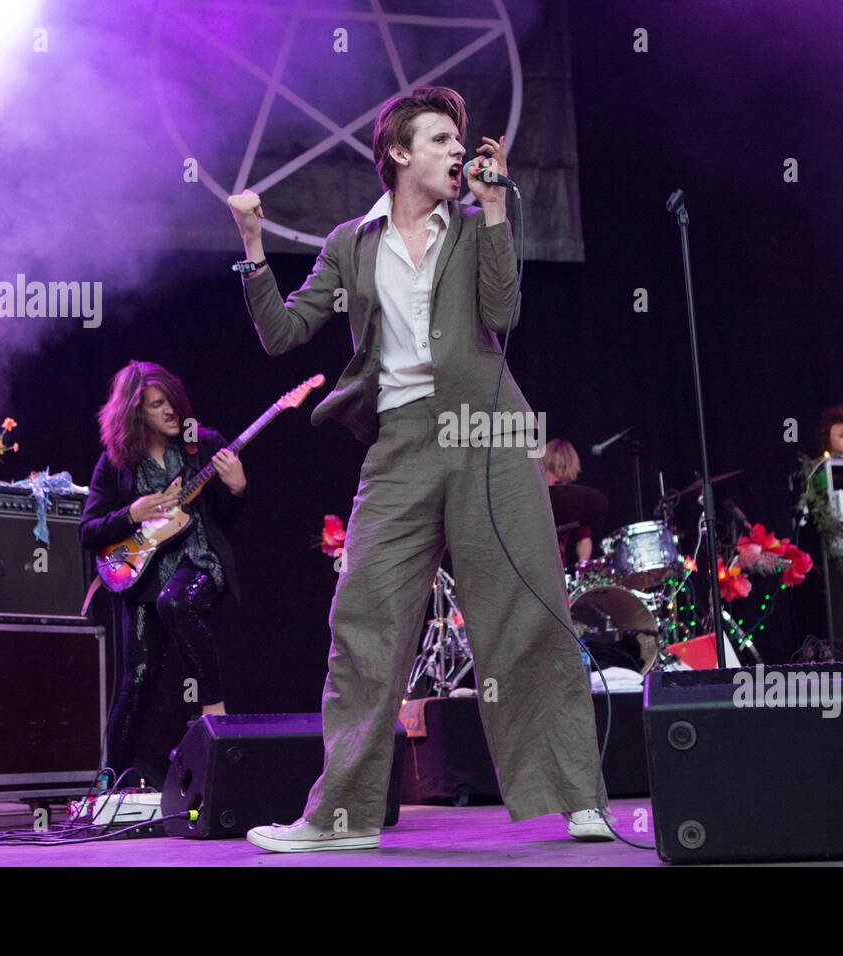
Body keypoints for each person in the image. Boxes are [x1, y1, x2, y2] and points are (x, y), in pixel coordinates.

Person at [229, 86, 609, 851]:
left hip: (490, 435)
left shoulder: (471, 228)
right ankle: (340, 818)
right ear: (399, 152)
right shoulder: (351, 243)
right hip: (400, 442)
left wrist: (497, 213)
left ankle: (578, 798)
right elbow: (284, 334)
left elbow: (501, 315)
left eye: (457, 140)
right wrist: (253, 245)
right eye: (438, 140)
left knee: (527, 614)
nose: (454, 152)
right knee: (364, 620)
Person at [78, 361, 247, 785]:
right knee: (136, 680)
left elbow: (224, 519)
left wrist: (237, 489)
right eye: (157, 405)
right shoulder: (116, 465)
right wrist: (130, 512)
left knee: (177, 601)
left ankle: (214, 706)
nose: (170, 410)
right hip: (144, 578)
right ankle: (109, 783)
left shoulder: (204, 446)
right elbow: (88, 531)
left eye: (171, 400)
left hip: (200, 562)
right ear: (136, 415)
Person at [543, 438, 594, 566]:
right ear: (543, 469)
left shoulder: (570, 503)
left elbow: (584, 538)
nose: (562, 490)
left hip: (558, 575)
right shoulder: (529, 502)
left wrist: (583, 562)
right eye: (558, 483)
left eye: (567, 484)